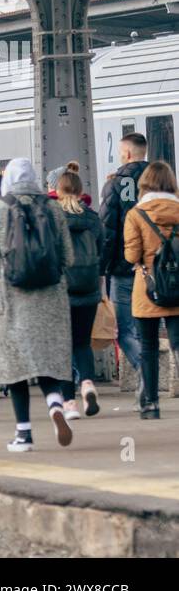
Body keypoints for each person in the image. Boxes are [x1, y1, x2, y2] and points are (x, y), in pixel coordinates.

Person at [0, 158, 75, 451]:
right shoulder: (54, 208)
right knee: (46, 360)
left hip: (11, 297)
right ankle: (55, 404)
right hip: (51, 298)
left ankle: (24, 435)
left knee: (15, 368)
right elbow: (68, 258)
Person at [122, 159, 179, 420]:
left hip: (148, 289)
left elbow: (132, 256)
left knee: (148, 347)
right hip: (178, 287)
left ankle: (150, 404)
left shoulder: (135, 214)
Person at [55, 169, 103, 420]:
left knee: (63, 346)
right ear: (81, 191)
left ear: (58, 191)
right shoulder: (93, 219)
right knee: (82, 342)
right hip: (88, 289)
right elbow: (101, 252)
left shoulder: (53, 218)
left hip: (61, 291)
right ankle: (87, 384)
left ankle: (69, 404)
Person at [101, 132, 148, 377]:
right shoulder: (163, 183)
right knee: (147, 329)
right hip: (157, 269)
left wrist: (101, 268)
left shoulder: (115, 184)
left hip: (123, 269)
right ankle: (148, 380)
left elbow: (107, 232)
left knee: (125, 331)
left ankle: (147, 372)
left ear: (127, 154)